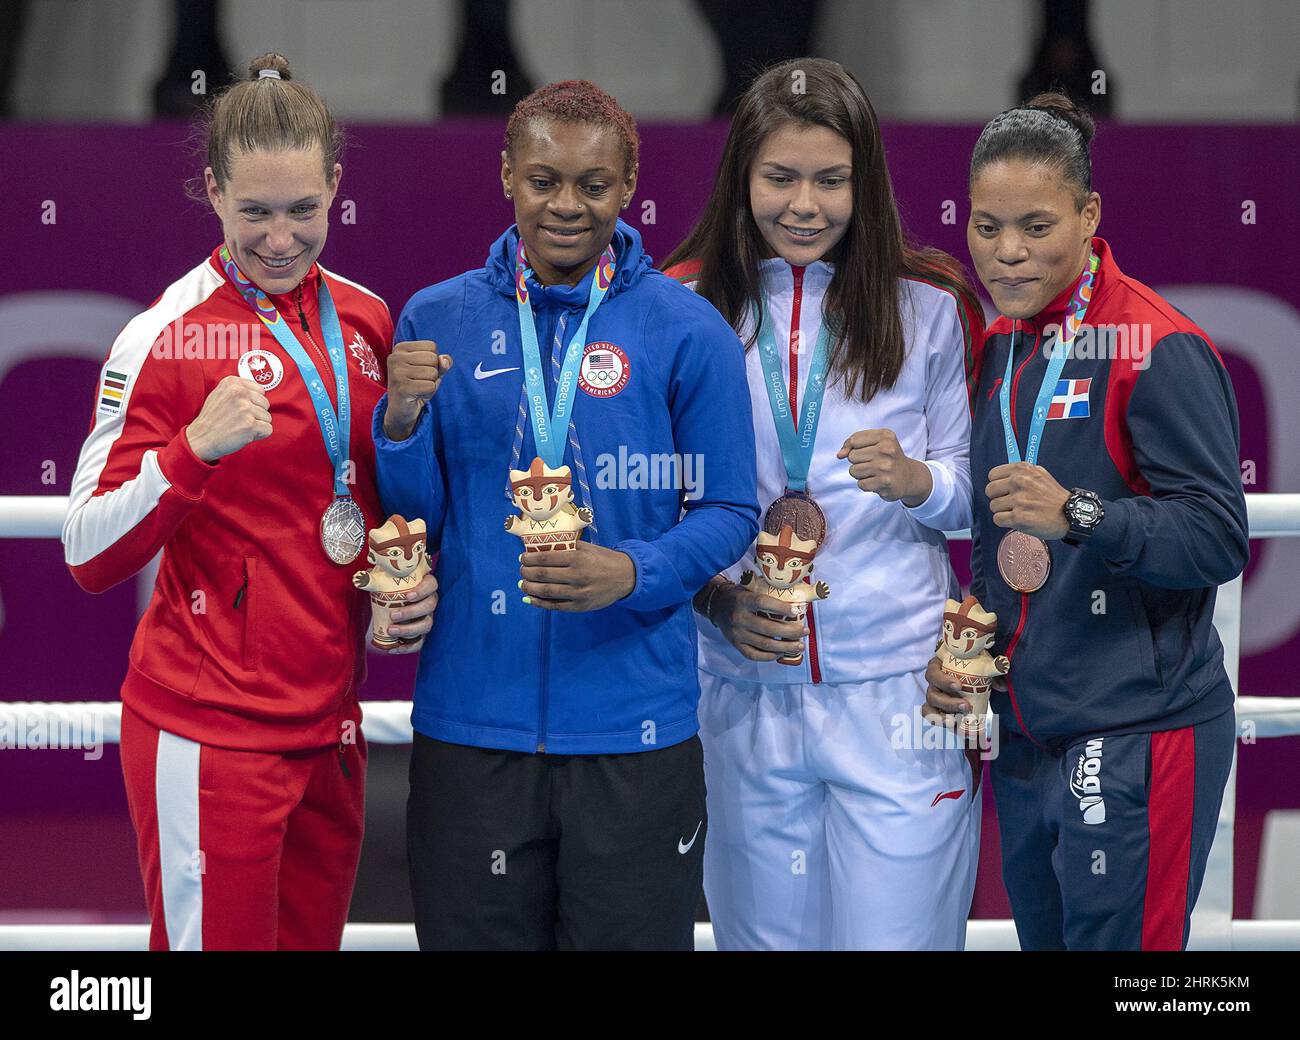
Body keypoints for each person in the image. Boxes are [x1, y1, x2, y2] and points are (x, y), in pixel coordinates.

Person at [61, 54, 439, 951]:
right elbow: (83, 550)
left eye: (304, 209)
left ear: (337, 188)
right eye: (255, 211)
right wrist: (190, 453)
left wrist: (409, 577)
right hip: (207, 733)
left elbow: (378, 502)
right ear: (211, 191)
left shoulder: (369, 320)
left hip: (333, 728)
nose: (280, 237)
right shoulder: (163, 335)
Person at [373, 79, 759, 951]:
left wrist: (633, 571)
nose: (567, 206)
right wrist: (398, 423)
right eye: (544, 180)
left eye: (593, 184)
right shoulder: (439, 320)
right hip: (472, 729)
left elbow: (731, 507)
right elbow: (417, 517)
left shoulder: (685, 329)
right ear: (507, 174)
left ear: (627, 189)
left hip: (636, 732)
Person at [663, 57, 986, 950]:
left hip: (899, 696)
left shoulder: (931, 302)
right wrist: (718, 601)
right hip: (739, 689)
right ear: (742, 178)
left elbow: (975, 500)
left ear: (865, 182)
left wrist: (921, 482)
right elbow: (654, 504)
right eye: (781, 177)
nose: (804, 204)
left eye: (831, 180)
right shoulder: (680, 303)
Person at [924, 92, 1248, 951]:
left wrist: (1079, 514)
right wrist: (974, 654)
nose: (1008, 253)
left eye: (1035, 225)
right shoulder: (1004, 344)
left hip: (1138, 728)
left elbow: (1218, 537)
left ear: (1089, 213)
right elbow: (1001, 541)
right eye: (987, 229)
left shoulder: (1155, 344)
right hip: (1029, 738)